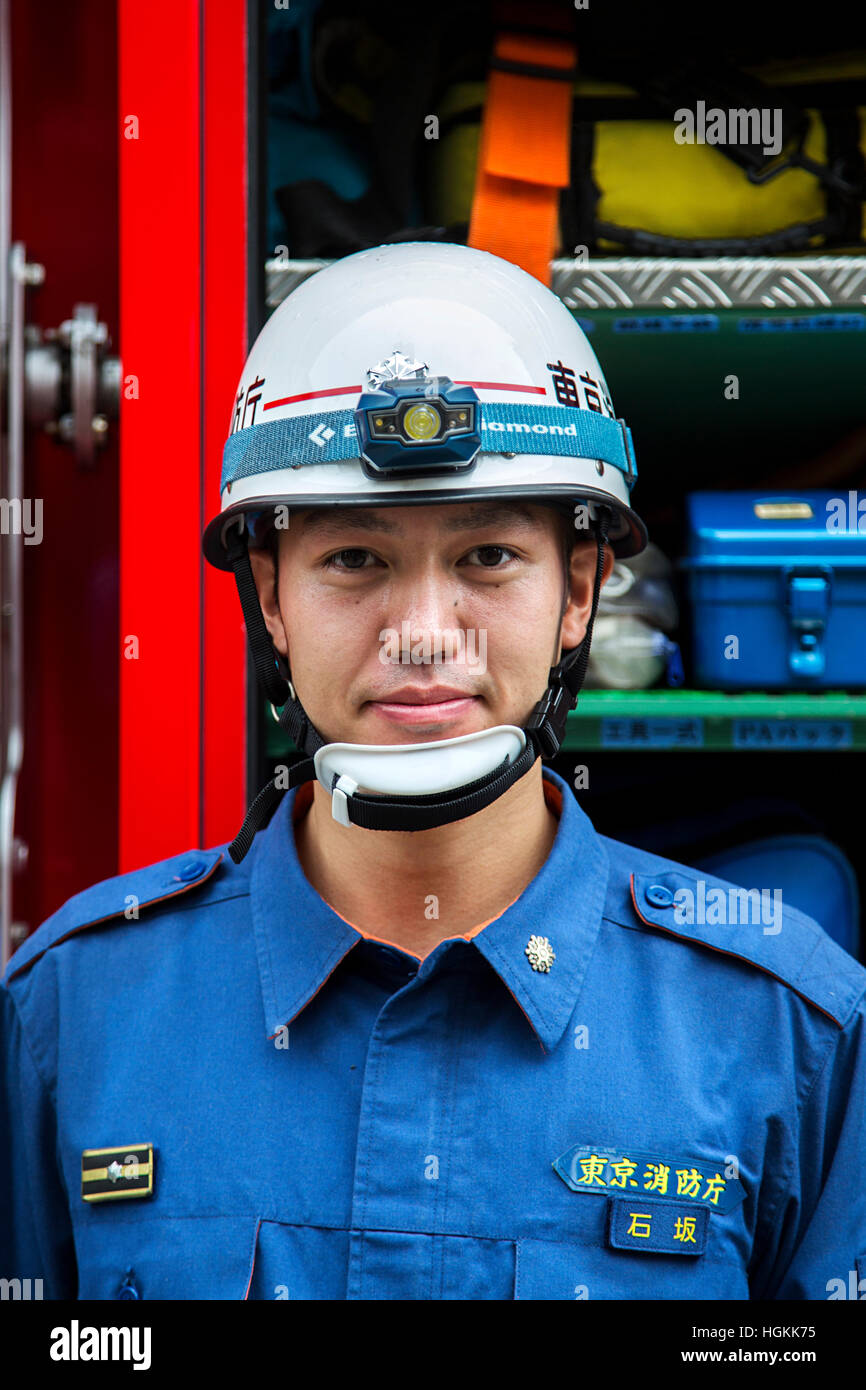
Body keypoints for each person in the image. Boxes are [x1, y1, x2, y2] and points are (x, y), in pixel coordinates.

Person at [2, 242, 864, 1301]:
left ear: (582, 588)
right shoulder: (72, 1013)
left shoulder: (790, 1026)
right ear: (270, 596)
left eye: (486, 558)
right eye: (353, 559)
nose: (420, 634)